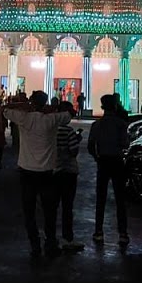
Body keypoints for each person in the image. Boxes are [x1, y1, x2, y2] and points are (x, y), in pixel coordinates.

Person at [4, 90, 72, 259]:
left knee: (29, 210)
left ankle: (35, 244)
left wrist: (24, 105)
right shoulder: (52, 119)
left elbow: (4, 109)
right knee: (50, 210)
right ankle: (50, 242)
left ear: (32, 102)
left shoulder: (24, 118)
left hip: (27, 170)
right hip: (47, 171)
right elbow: (70, 113)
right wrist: (52, 108)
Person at [88, 94, 131, 246]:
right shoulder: (121, 124)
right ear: (115, 106)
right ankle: (123, 233)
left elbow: (90, 146)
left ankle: (98, 231)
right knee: (120, 199)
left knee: (101, 198)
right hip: (117, 161)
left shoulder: (97, 125)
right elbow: (125, 144)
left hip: (103, 162)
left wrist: (97, 157)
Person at [54, 101, 85, 251]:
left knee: (52, 207)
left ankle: (51, 237)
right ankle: (67, 238)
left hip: (53, 171)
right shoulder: (69, 132)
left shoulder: (50, 130)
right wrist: (76, 140)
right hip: (68, 172)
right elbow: (73, 151)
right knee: (67, 207)